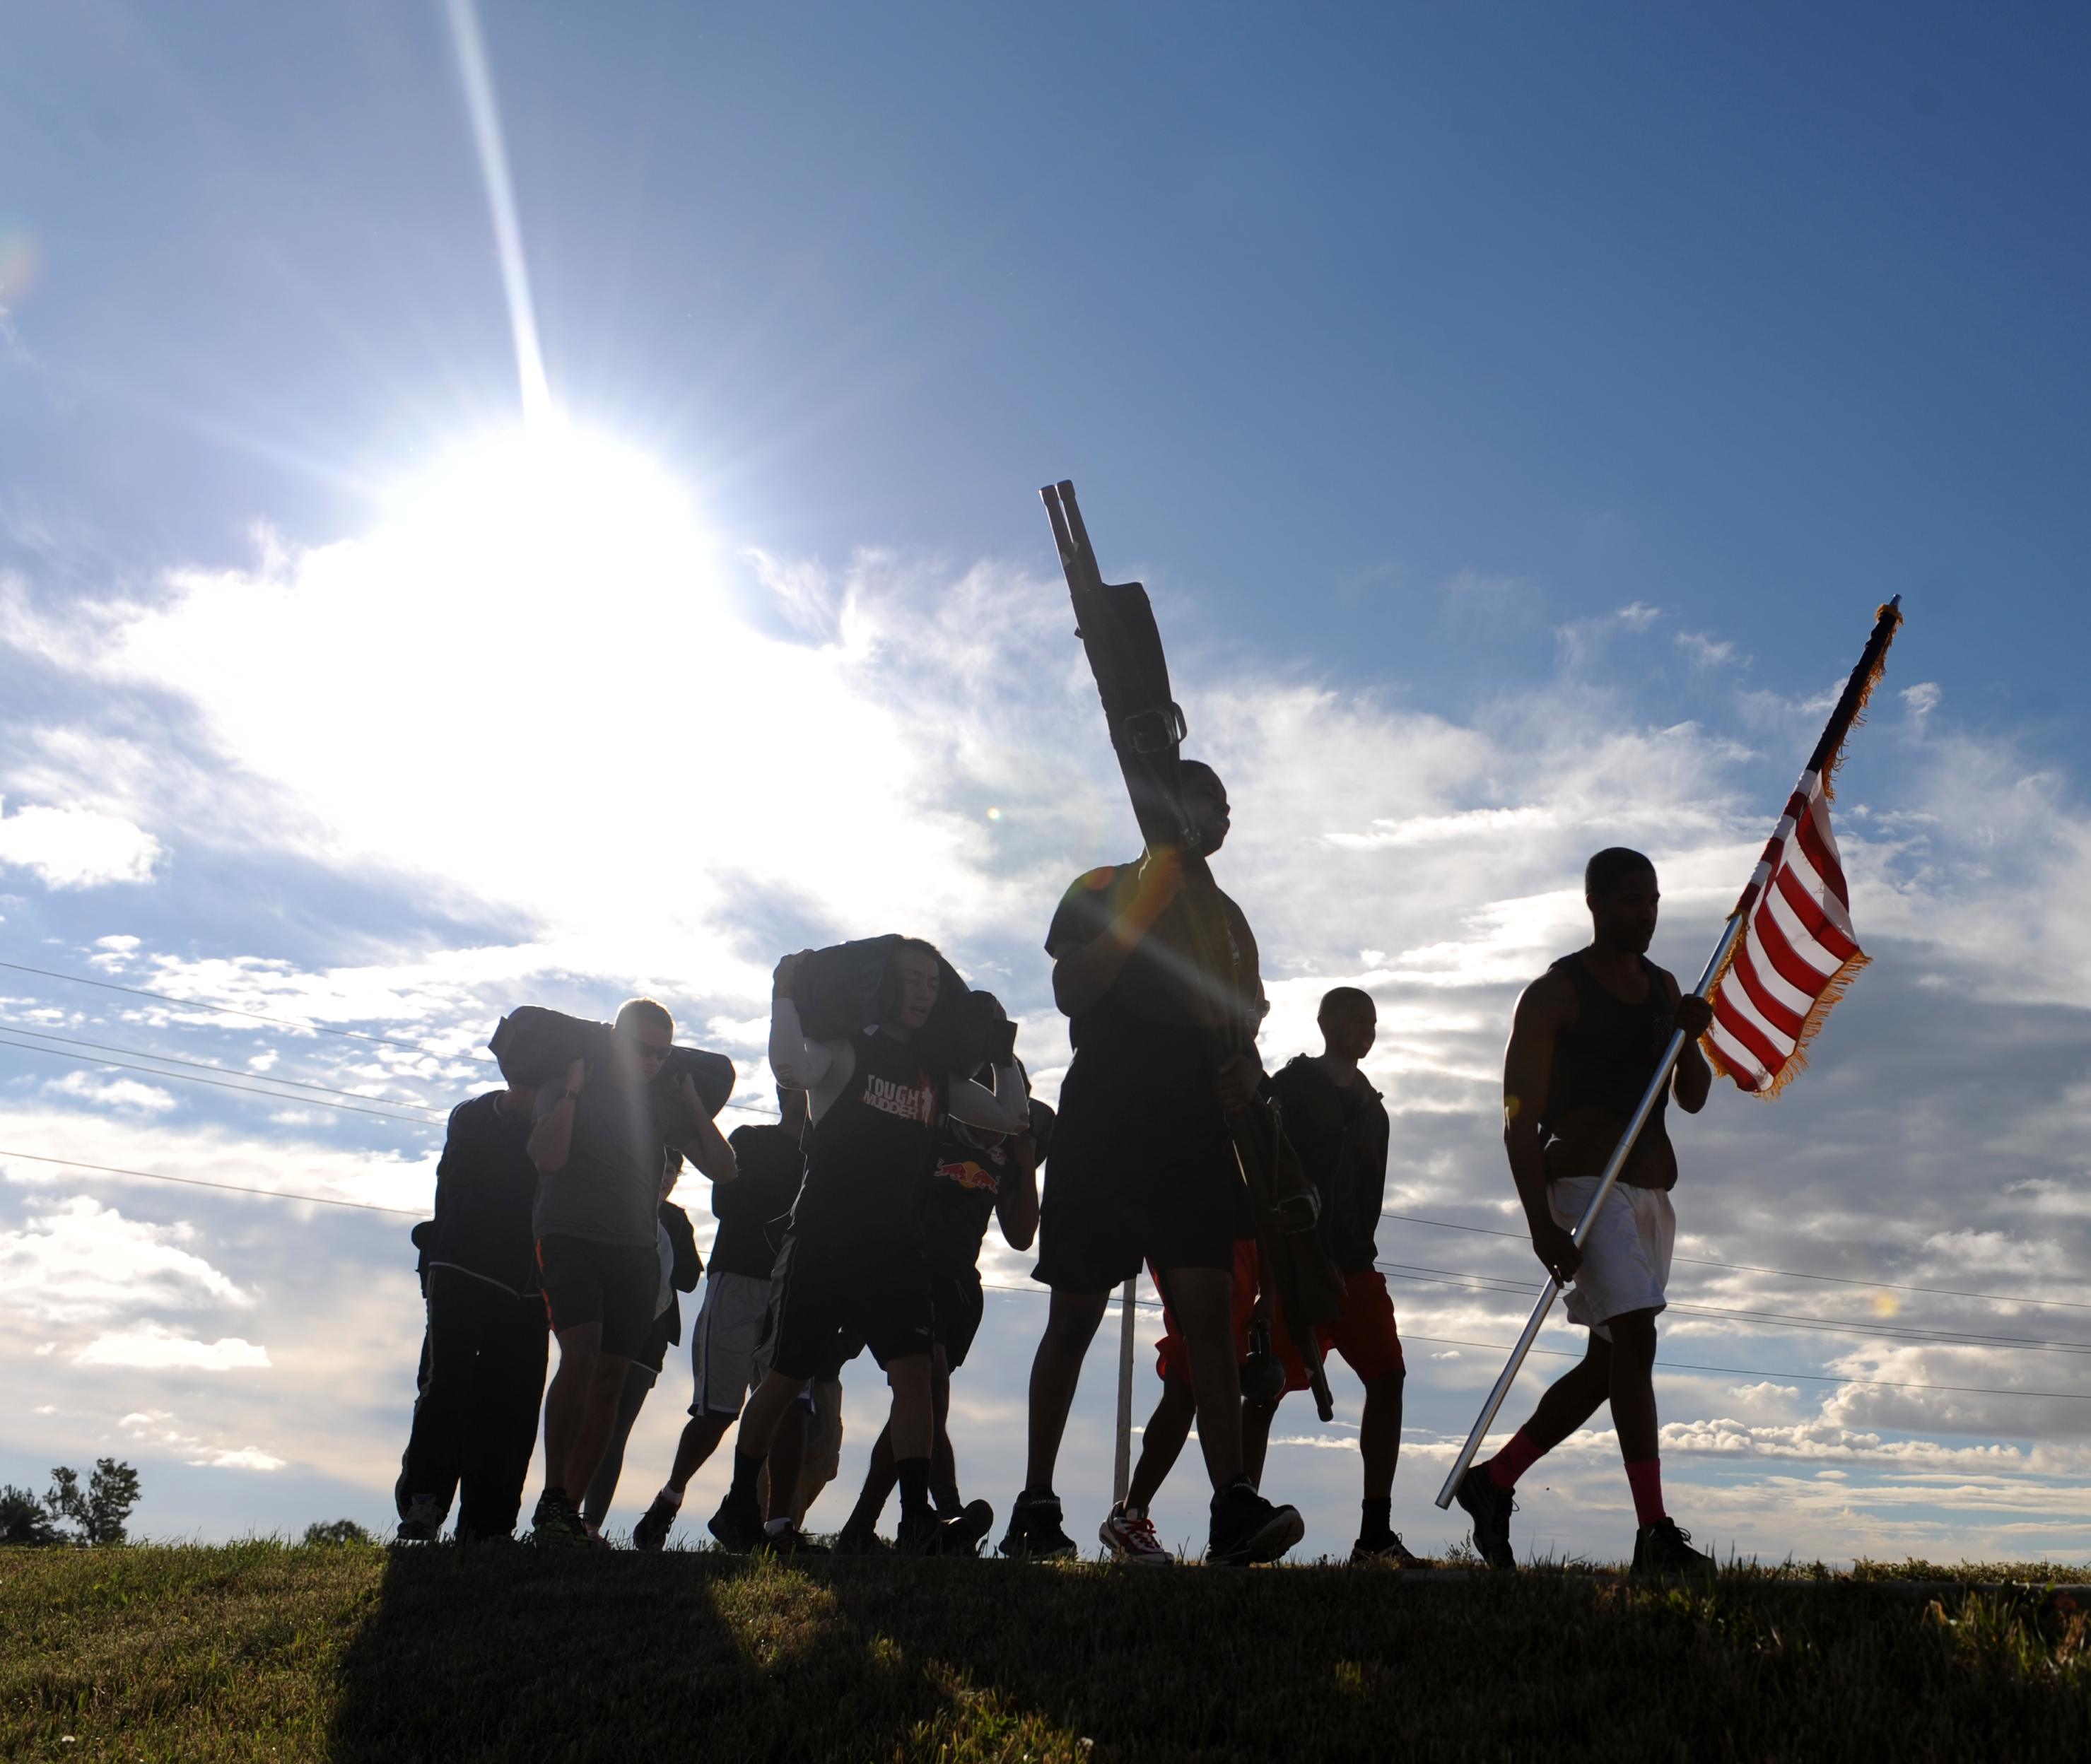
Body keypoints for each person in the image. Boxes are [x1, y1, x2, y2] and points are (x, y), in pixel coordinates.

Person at [1002, 760, 1305, 1568]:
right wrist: (1147, 902)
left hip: (1196, 1133)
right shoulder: (1098, 885)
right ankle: (1036, 1504)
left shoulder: (1232, 920)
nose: (1226, 812)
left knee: (1212, 1314)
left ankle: (1232, 1504)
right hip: (1104, 1121)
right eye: (1212, 797)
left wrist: (1250, 1071)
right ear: (1169, 803)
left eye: (1231, 803)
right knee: (1074, 1316)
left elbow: (1244, 1028)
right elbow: (1073, 989)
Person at [709, 939, 1031, 1555]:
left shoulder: (938, 1075)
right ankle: (738, 1509)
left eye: (933, 984)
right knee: (785, 1379)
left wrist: (1004, 1056)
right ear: (886, 982)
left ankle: (916, 1520)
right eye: (912, 979)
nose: (923, 991)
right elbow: (788, 1070)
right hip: (826, 1241)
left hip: (898, 1249)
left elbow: (1012, 1120)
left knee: (915, 1378)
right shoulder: (846, 1049)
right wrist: (783, 994)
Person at [1455, 848, 1718, 1577]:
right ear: (1595, 902)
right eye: (1632, 899)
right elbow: (1517, 1118)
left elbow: (1692, 1096)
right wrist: (1540, 1223)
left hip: (1652, 1194)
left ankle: (1494, 1480)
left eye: (1654, 899)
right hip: (1581, 1186)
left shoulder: (1666, 988)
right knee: (1636, 1340)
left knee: (1611, 1365)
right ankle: (1653, 1533)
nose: (1646, 912)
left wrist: (1691, 1032)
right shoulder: (1554, 995)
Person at [526, 996, 739, 1548]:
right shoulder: (569, 1084)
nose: (651, 1060)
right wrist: (573, 1090)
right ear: (617, 1039)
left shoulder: (665, 1106)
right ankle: (552, 1500)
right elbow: (546, 1156)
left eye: (662, 1053)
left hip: (634, 1253)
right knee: (580, 1355)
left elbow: (725, 1169)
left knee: (612, 1380)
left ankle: (568, 1515)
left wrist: (692, 1101)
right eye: (643, 1048)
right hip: (569, 1237)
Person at [834, 1066, 1047, 1551]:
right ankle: (944, 1513)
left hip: (959, 1286)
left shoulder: (1010, 1155)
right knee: (931, 1381)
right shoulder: (934, 1128)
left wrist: (1028, 1163)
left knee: (926, 1404)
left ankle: (865, 1529)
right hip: (907, 1267)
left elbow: (1020, 1236)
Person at [1267, 987, 1418, 1565]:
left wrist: (1348, 1252)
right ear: (1324, 1021)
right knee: (1266, 1389)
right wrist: (1295, 1255)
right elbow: (1271, 1176)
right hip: (1295, 1268)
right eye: (1354, 1017)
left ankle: (1373, 1535)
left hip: (1357, 1269)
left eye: (1372, 1021)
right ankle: (1237, 1518)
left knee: (1389, 1377)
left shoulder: (1375, 1109)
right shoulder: (1290, 1088)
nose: (1364, 1028)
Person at [631, 1088, 814, 1552]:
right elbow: (727, 1201)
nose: (809, 1095)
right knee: (717, 1412)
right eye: (800, 1085)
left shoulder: (829, 1152)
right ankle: (669, 1500)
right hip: (738, 1282)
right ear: (783, 1090)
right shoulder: (751, 1138)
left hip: (796, 1290)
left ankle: (779, 1528)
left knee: (794, 1409)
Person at [394, 1078, 549, 1542]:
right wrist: (524, 1098)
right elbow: (482, 1120)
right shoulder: (478, 1115)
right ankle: (425, 1503)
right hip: (463, 1266)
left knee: (515, 1403)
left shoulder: (568, 1123)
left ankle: (490, 1522)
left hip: (528, 1285)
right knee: (448, 1386)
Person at [1098, 1238, 1284, 1567]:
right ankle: (1227, 1514)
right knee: (1191, 1366)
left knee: (1188, 1381)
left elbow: (1261, 1207)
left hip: (1237, 1238)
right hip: (1194, 1222)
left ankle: (1135, 1515)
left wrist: (1267, 1291)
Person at [578, 1150, 703, 1539]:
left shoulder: (676, 1219)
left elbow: (688, 1278)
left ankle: (591, 1524)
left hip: (650, 1340)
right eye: (662, 1170)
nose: (667, 1179)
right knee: (586, 1421)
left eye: (674, 1173)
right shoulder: (616, 1204)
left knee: (617, 1430)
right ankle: (561, 1513)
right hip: (606, 1330)